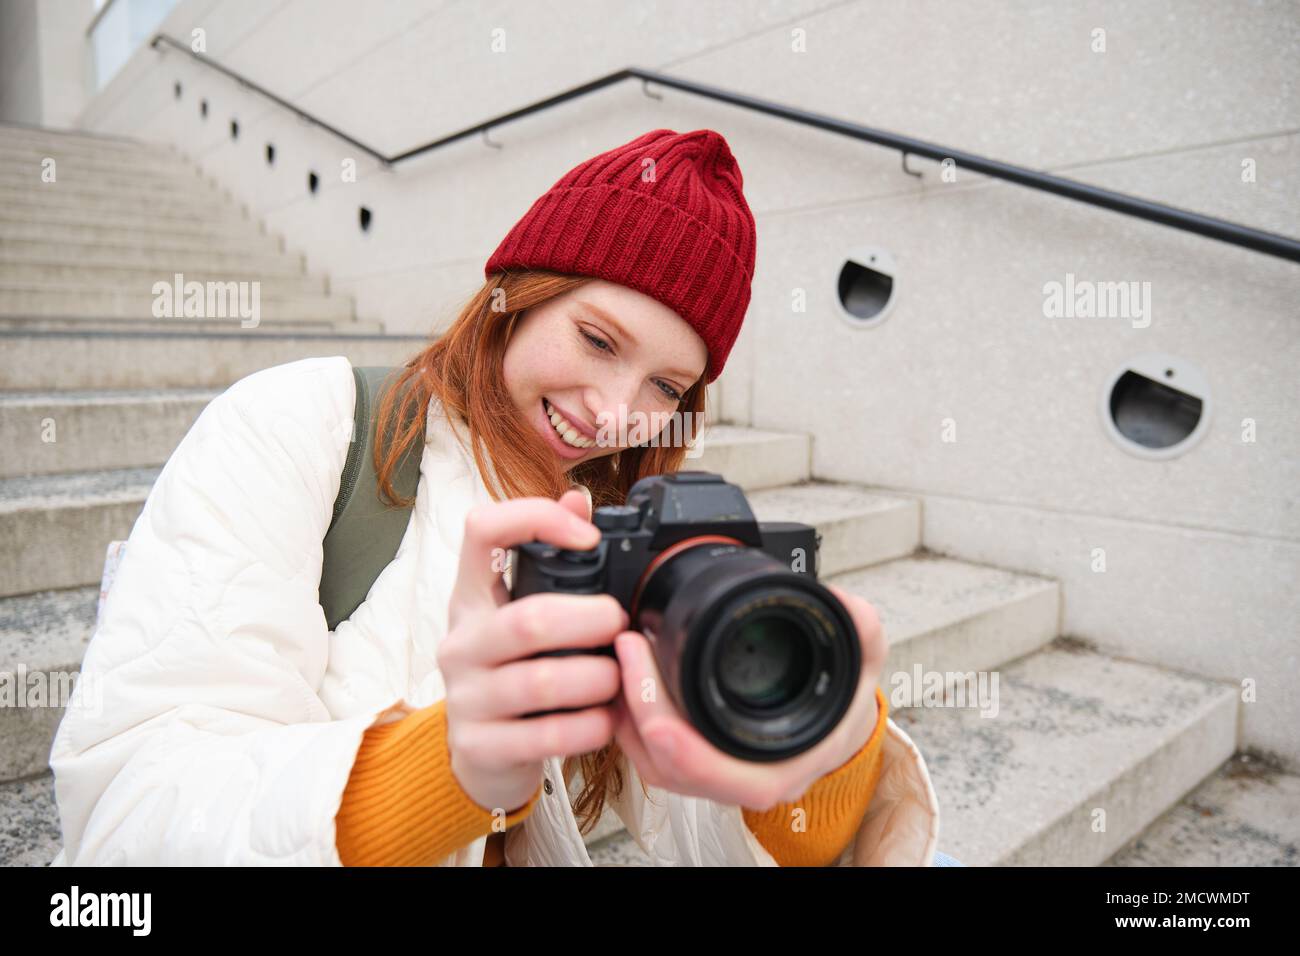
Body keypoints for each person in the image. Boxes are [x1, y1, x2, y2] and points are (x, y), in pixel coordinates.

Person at [47, 128, 942, 866]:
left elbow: (732, 833)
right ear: (515, 293)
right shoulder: (301, 425)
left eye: (668, 388)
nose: (615, 415)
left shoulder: (633, 522)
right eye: (596, 339)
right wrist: (448, 767)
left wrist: (826, 738)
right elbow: (128, 824)